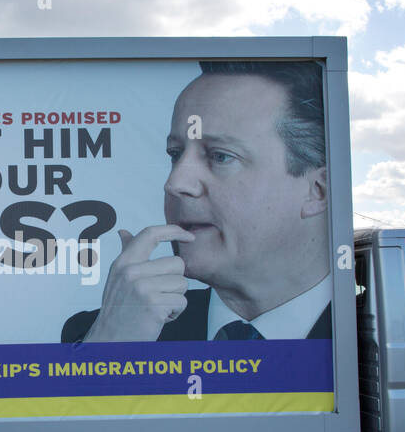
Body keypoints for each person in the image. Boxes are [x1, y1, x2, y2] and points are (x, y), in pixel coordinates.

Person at [61, 61, 331, 342]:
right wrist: (108, 353)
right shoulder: (104, 333)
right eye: (175, 154)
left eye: (220, 156)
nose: (175, 183)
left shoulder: (370, 329)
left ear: (317, 190)